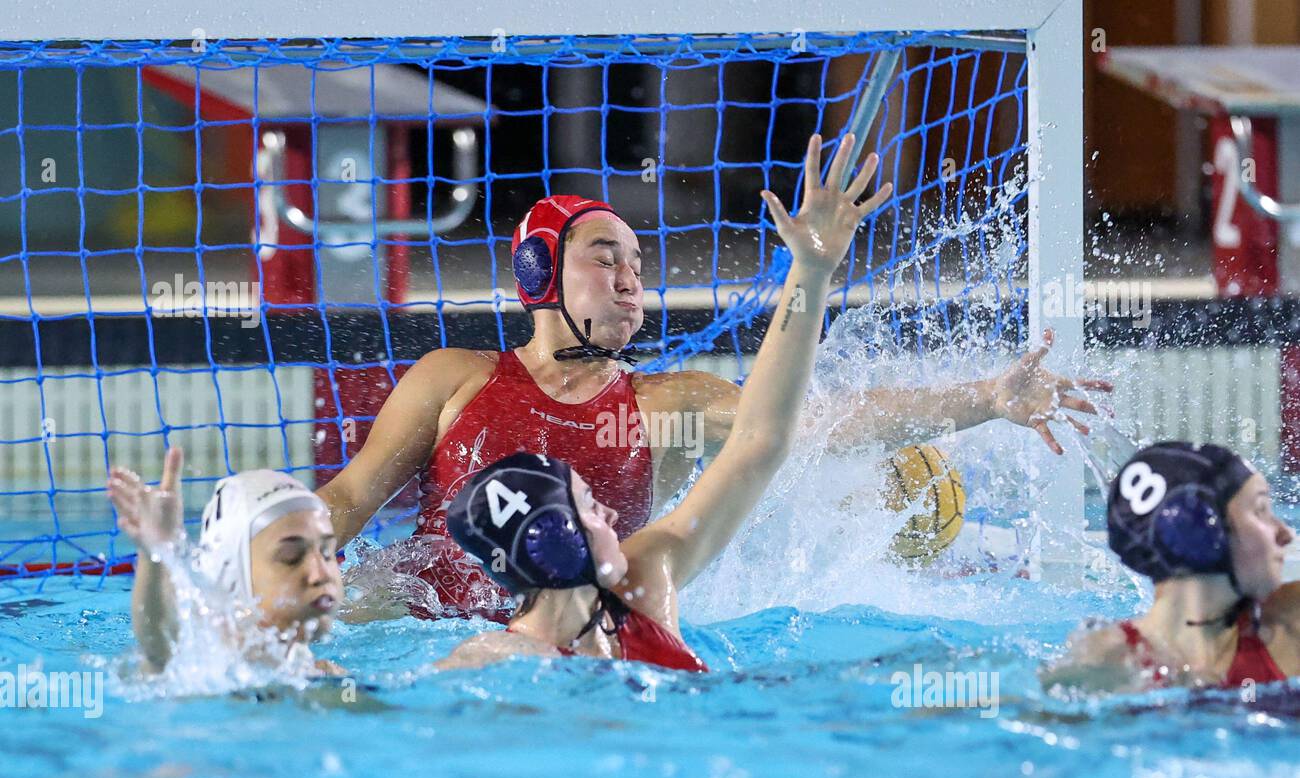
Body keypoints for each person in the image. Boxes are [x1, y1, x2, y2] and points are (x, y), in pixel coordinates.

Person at [318, 138, 1110, 622]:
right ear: (538, 272)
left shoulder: (666, 406)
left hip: (588, 635)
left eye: (637, 264)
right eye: (604, 258)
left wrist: (983, 399)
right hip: (419, 626)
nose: (631, 280)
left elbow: (806, 424)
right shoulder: (453, 381)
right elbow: (350, 501)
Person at [433, 132, 891, 670]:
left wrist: (810, 273)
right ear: (552, 541)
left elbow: (761, 437)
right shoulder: (488, 662)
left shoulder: (646, 577)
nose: (608, 510)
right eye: (587, 506)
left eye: (636, 266)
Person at [1042, 441, 1300, 693]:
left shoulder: (1292, 624)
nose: (1285, 533)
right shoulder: (1106, 664)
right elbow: (1002, 704)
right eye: (1260, 510)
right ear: (1197, 532)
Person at [107, 447, 344, 675]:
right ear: (233, 574)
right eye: (291, 558)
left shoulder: (317, 672)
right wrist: (157, 554)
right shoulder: (209, 660)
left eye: (326, 552)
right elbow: (160, 648)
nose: (321, 573)